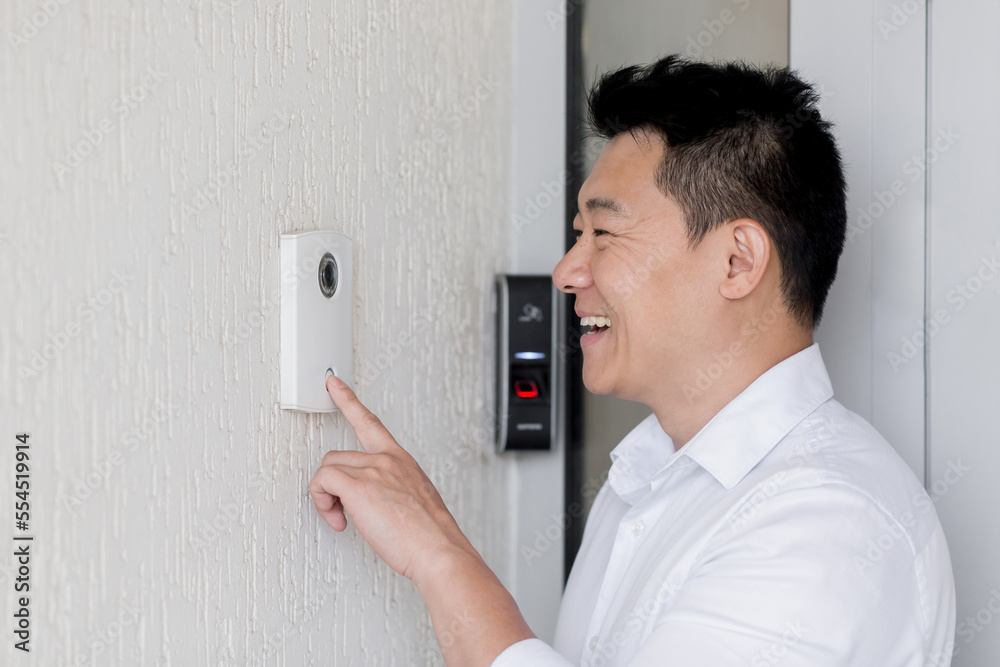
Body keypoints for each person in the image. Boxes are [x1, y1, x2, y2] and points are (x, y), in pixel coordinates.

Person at [309, 55, 957, 666]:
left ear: (738, 260)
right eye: (575, 233)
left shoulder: (830, 521)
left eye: (604, 233)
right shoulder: (644, 480)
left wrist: (438, 554)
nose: (567, 271)